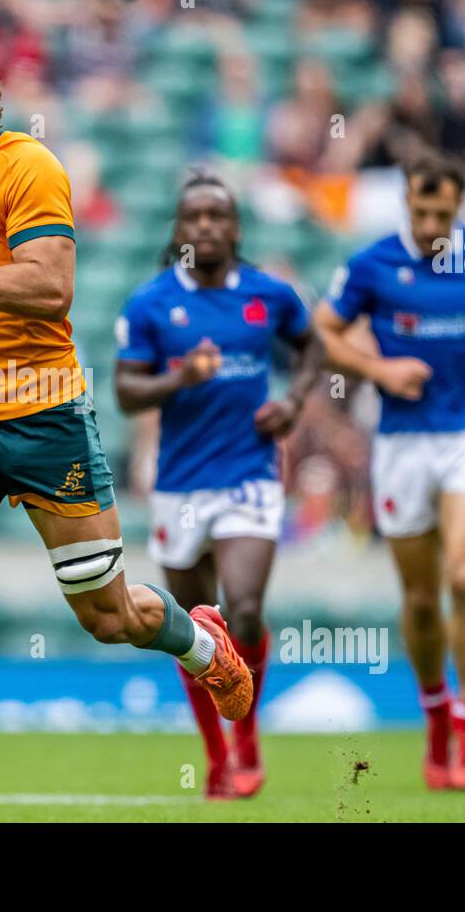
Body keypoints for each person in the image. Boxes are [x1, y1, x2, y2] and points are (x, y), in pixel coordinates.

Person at [0, 49, 254, 787]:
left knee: (108, 619)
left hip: (44, 418)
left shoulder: (30, 168)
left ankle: (201, 642)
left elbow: (50, 289)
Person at [312, 152, 465, 791]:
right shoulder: (372, 265)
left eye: (442, 211)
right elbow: (325, 331)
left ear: (459, 206)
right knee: (417, 595)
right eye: (420, 209)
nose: (431, 221)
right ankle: (435, 713)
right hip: (401, 444)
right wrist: (379, 371)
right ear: (406, 202)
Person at [114, 171, 323, 800]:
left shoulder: (269, 294)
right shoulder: (151, 303)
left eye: (217, 216)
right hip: (180, 485)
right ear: (179, 230)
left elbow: (313, 348)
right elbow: (126, 390)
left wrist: (294, 404)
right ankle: (216, 758)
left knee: (246, 607)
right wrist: (180, 377)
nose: (205, 226)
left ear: (235, 228)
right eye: (193, 217)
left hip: (251, 474)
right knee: (192, 629)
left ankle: (248, 742)